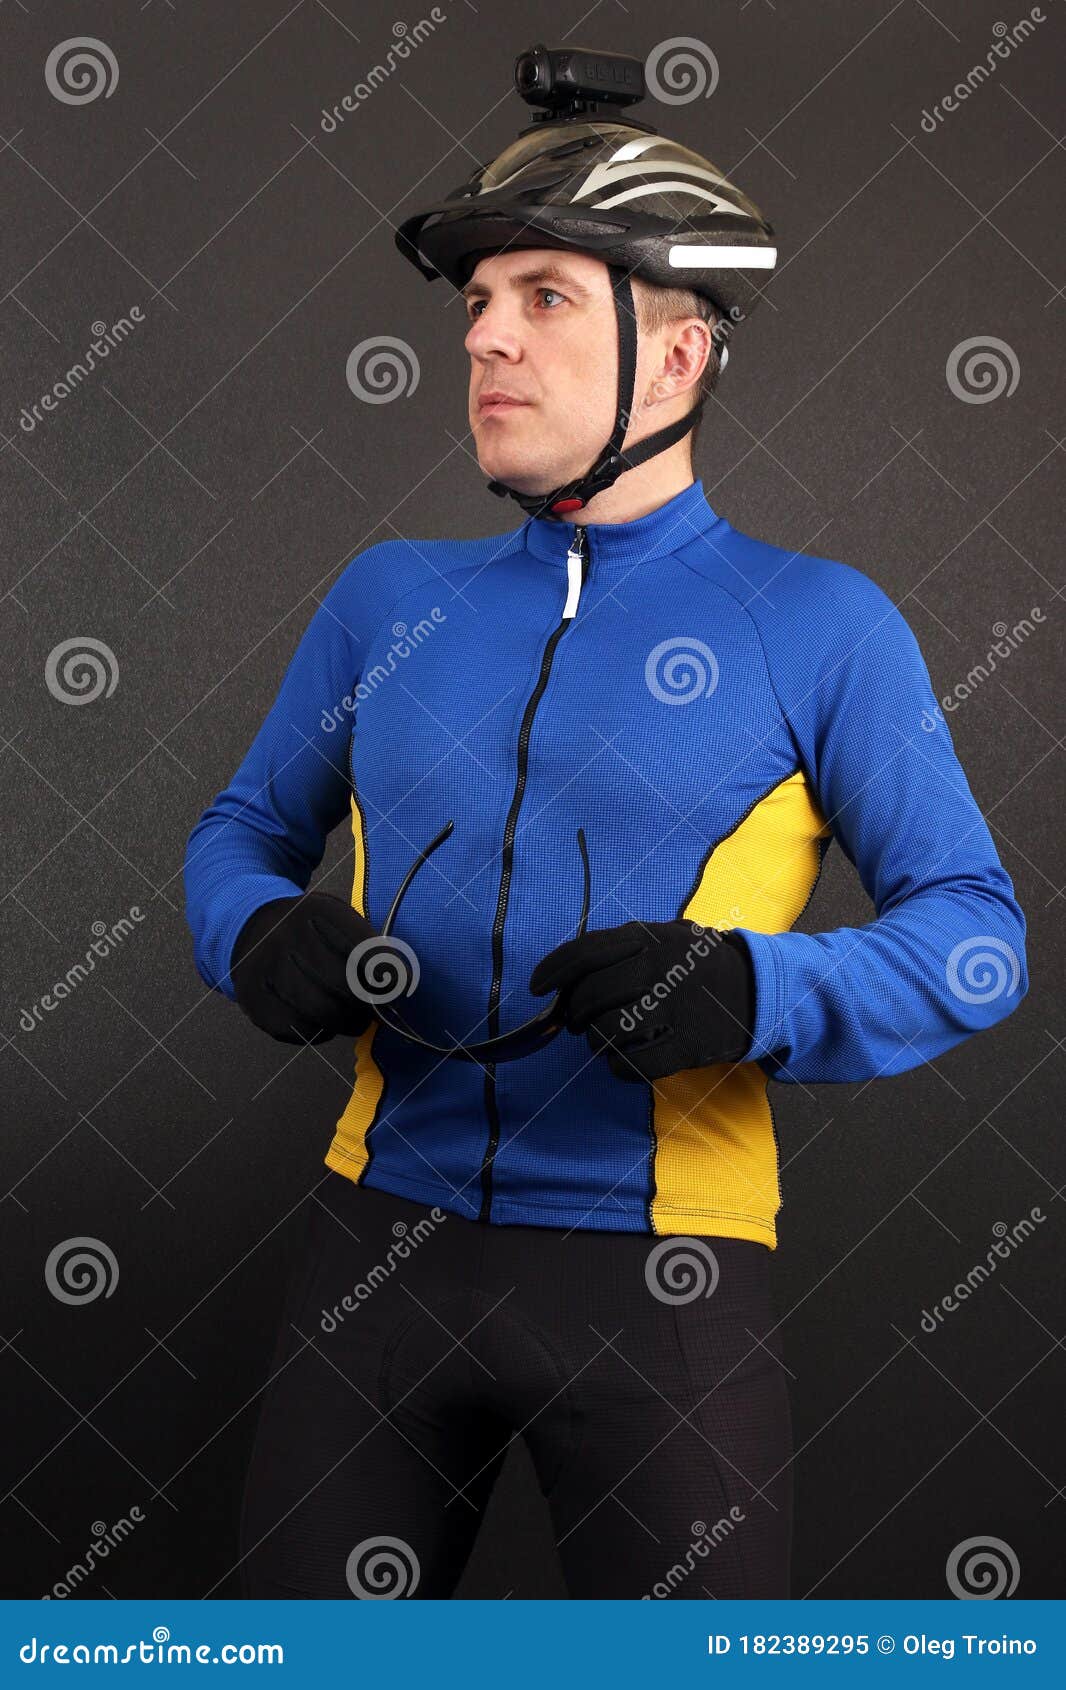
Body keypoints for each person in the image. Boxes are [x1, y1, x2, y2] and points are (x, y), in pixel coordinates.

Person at [183, 45, 1028, 1600]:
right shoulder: (389, 599)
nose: (487, 339)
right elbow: (236, 830)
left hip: (662, 1290)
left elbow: (978, 941)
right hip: (374, 1255)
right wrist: (253, 932)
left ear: (679, 356)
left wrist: (752, 991)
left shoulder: (817, 625)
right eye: (476, 305)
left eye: (544, 299)